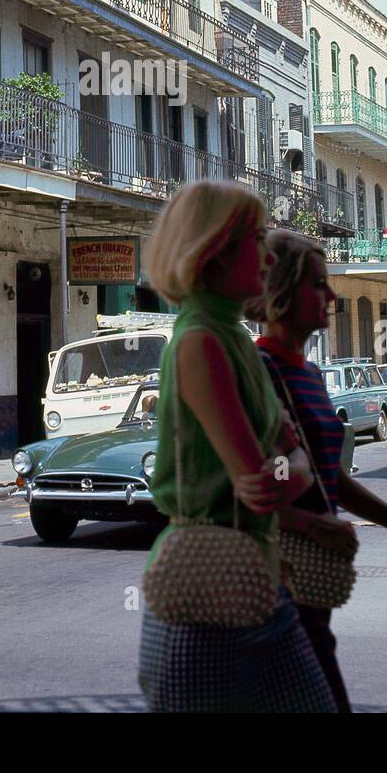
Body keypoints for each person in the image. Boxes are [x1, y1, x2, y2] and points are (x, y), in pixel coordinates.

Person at [249, 229, 387, 713]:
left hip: (313, 586)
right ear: (283, 292)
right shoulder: (259, 370)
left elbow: (332, 479)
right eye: (317, 284)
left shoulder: (307, 374)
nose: (331, 296)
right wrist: (313, 524)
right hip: (277, 584)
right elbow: (244, 485)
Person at [137, 181, 338, 713]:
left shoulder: (234, 342)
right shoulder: (202, 340)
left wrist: (286, 467)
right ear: (212, 250)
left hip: (258, 583)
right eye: (253, 238)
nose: (267, 252)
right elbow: (263, 482)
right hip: (210, 596)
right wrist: (287, 468)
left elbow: (289, 467)